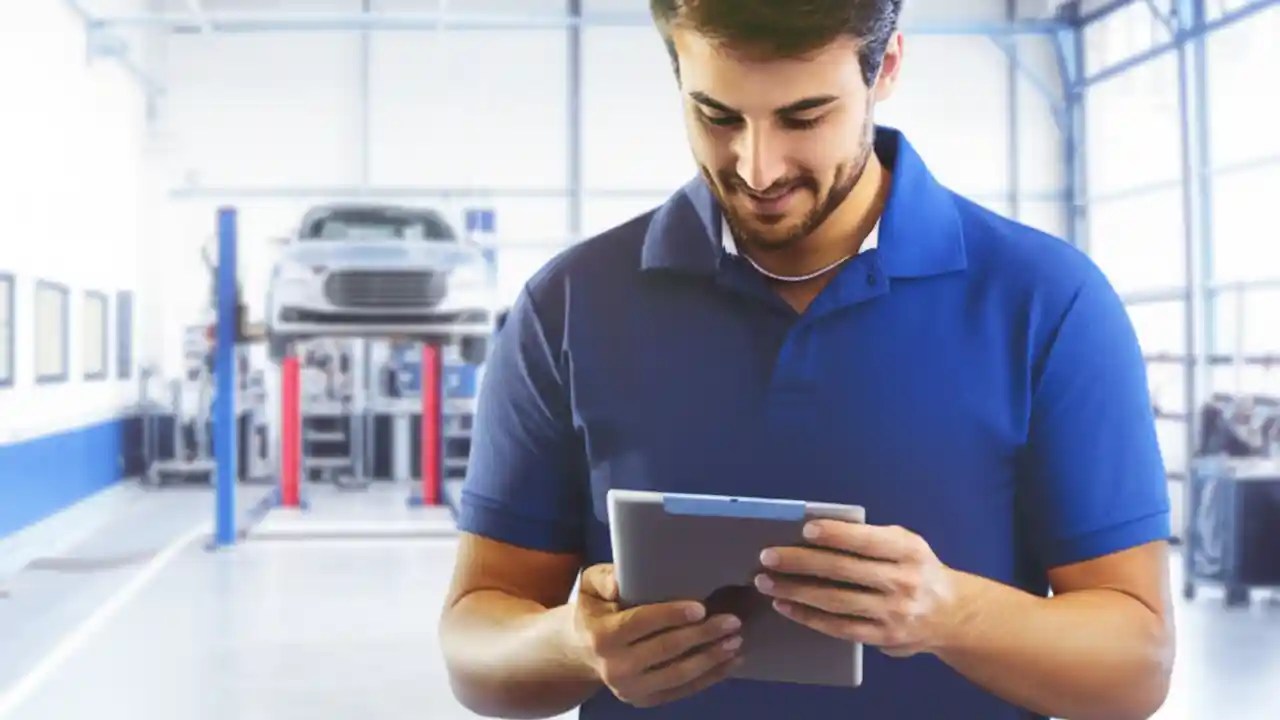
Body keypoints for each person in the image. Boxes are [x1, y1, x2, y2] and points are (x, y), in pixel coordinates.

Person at [438, 1, 1176, 718]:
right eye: (717, 115)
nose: (758, 167)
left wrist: (953, 614)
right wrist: (573, 645)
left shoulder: (1049, 301)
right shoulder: (568, 306)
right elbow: (476, 650)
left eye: (804, 117)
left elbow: (1135, 669)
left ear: (884, 67)